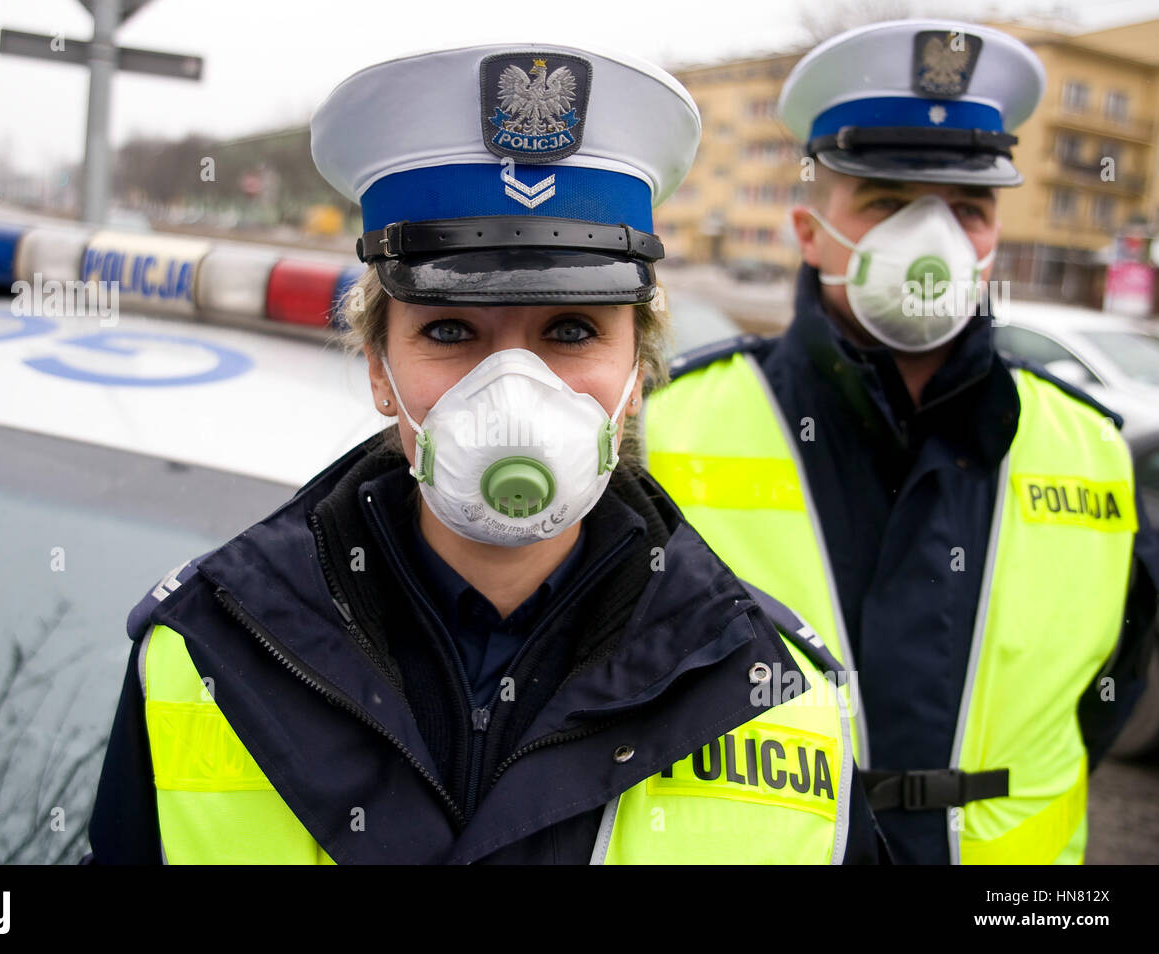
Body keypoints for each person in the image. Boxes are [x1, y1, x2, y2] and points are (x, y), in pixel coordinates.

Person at [82, 42, 889, 864]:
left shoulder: (782, 701)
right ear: (380, 370)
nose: (514, 391)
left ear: (638, 374)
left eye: (571, 331)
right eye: (450, 331)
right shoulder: (204, 656)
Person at [644, 19, 1159, 864]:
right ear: (809, 230)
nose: (934, 242)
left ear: (993, 238)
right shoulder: (671, 428)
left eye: (967, 209)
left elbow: (1110, 689)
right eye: (887, 202)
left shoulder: (1089, 445)